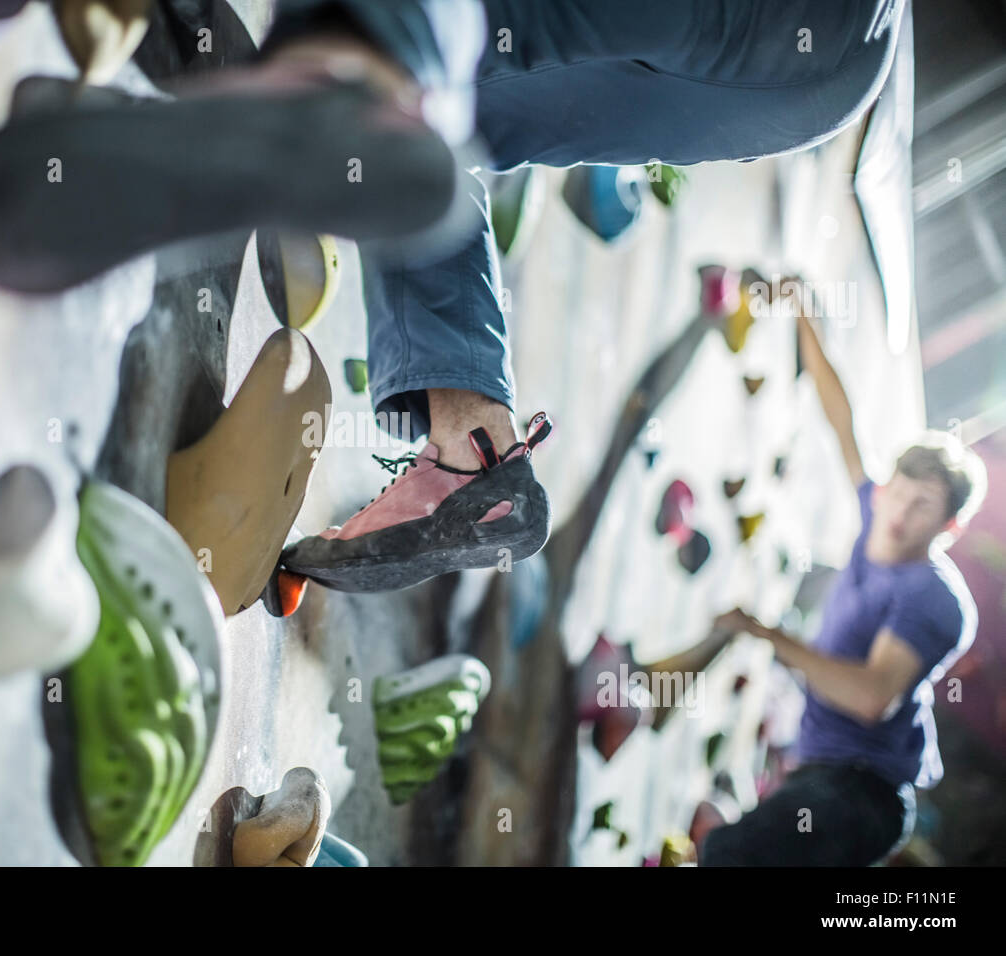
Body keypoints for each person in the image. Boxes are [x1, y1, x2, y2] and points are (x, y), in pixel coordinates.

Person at [276, 0, 907, 591]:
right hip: (837, 67)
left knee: (392, 78)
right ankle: (470, 450)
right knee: (414, 101)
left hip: (772, 33)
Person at [698, 287, 984, 867]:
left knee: (727, 857)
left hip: (861, 795)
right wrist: (805, 315)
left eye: (922, 505)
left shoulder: (932, 598)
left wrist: (767, 634)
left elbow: (870, 696)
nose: (900, 514)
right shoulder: (876, 513)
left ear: (949, 524)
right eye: (898, 492)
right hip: (823, 779)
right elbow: (842, 420)